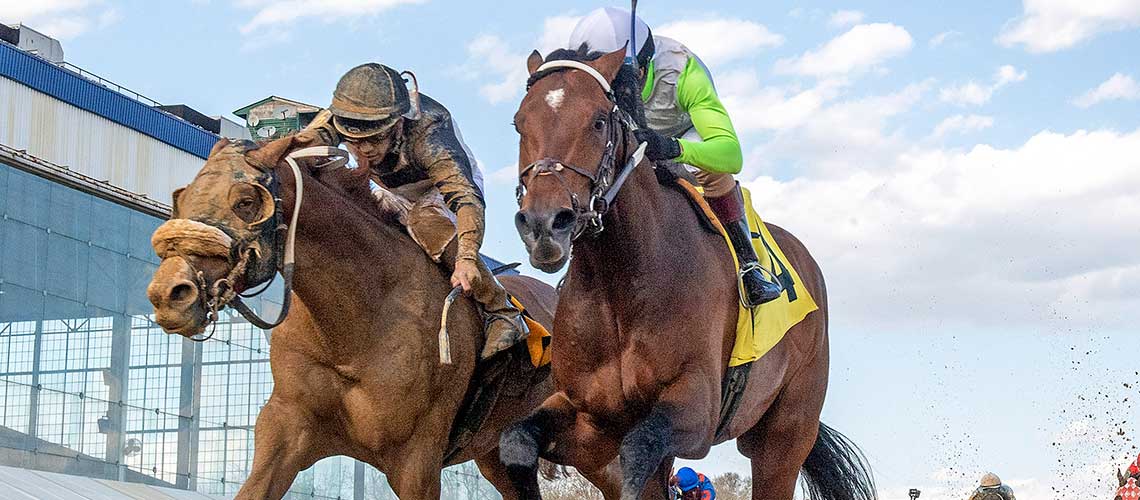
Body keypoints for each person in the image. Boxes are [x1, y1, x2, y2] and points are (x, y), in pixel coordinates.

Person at [298, 63, 526, 359]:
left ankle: (502, 310)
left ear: (399, 123)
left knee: (424, 219)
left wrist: (467, 257)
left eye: (376, 139)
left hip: (445, 188)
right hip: (391, 190)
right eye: (355, 142)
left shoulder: (430, 132)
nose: (365, 150)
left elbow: (465, 198)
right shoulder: (341, 116)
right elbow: (296, 148)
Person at [568, 7, 783, 307]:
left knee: (709, 166)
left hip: (683, 138)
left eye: (616, 79)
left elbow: (731, 153)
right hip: (630, 141)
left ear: (640, 69)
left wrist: (672, 148)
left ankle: (748, 264)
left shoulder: (683, 72)